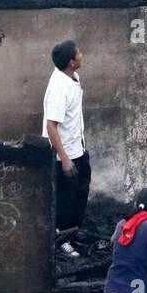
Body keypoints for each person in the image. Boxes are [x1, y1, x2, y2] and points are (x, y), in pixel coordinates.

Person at [43, 40, 90, 248]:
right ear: (71, 62)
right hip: (66, 155)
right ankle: (62, 242)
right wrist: (64, 159)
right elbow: (51, 126)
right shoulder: (58, 88)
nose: (81, 54)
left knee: (79, 195)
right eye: (78, 53)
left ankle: (74, 233)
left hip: (78, 149)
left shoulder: (72, 77)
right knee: (65, 201)